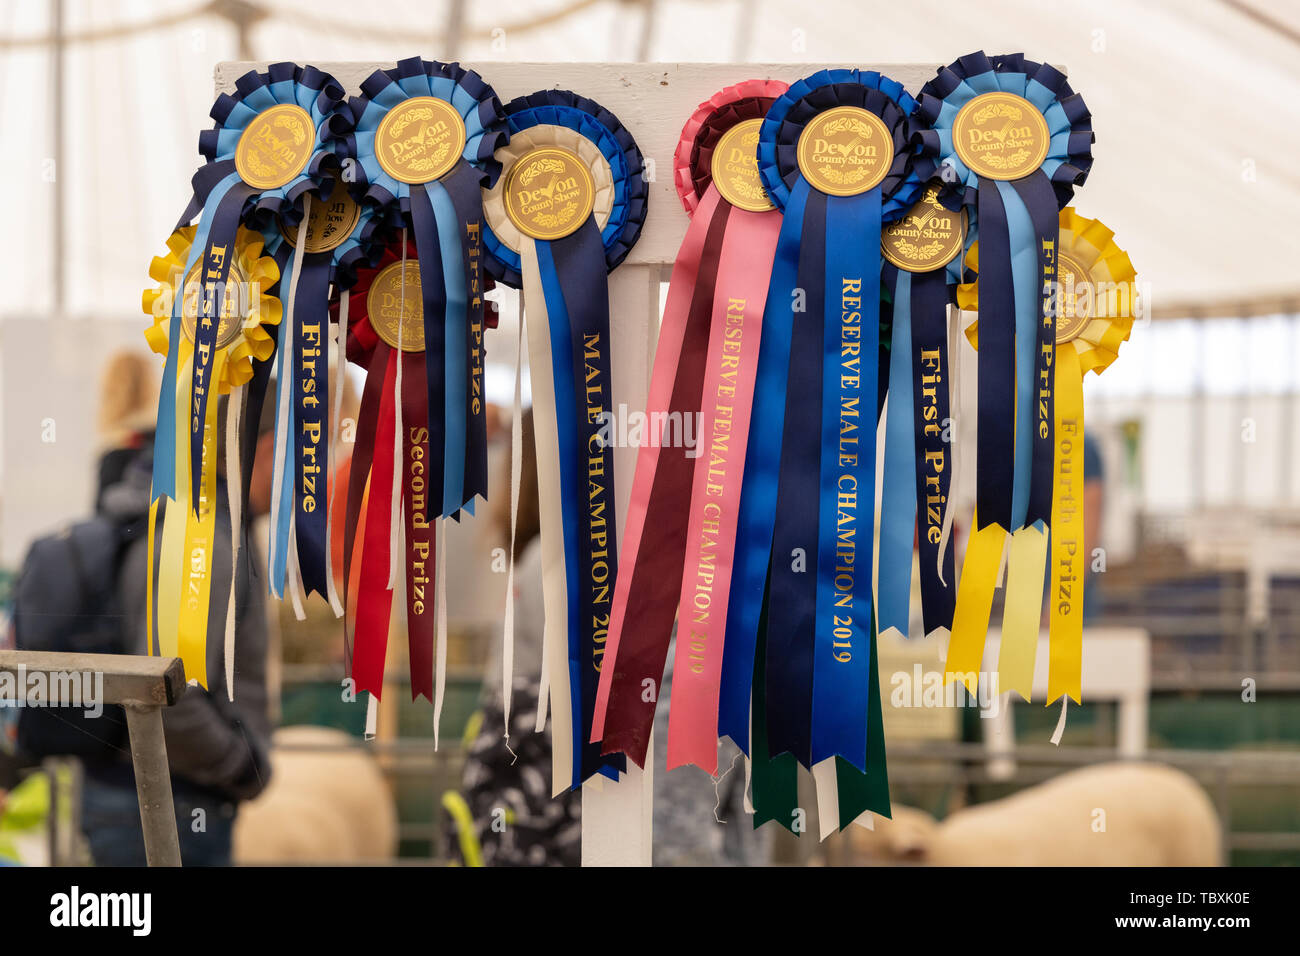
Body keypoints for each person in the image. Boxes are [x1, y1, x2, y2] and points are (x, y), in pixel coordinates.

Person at [19, 364, 277, 866]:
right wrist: (243, 767)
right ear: (262, 450)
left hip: (132, 796)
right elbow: (167, 694)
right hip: (168, 806)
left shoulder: (176, 520)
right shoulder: (204, 545)